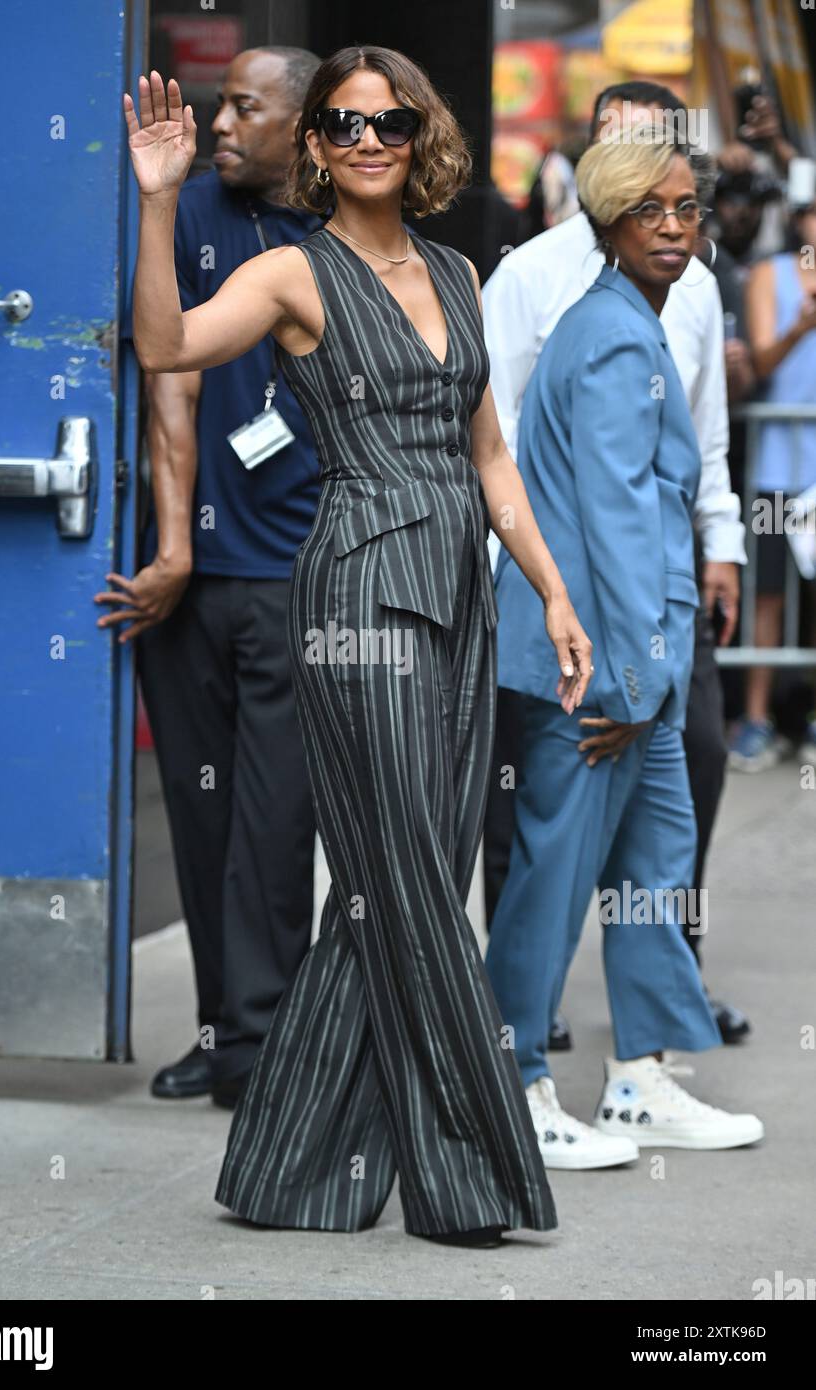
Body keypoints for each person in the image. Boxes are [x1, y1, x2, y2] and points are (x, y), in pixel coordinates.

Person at [124, 46, 593, 1247]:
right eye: (343, 122)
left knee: (393, 886)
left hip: (460, 595)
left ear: (415, 134)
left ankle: (287, 1165)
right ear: (319, 147)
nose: (368, 139)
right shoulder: (292, 272)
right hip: (354, 597)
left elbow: (491, 460)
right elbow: (169, 349)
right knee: (416, 885)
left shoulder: (456, 271)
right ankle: (473, 1167)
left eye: (388, 122)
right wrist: (160, 199)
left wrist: (550, 593)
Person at [484, 122, 765, 1170]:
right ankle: (507, 1081)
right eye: (647, 208)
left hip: (633, 658)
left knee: (653, 868)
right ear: (603, 218)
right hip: (594, 668)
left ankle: (640, 1076)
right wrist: (635, 684)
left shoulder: (638, 321)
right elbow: (607, 516)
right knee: (553, 876)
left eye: (686, 208)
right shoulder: (606, 332)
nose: (673, 226)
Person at [96, 48, 323, 1107]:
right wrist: (175, 543)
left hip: (299, 577)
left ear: (300, 124)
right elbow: (168, 377)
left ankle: (270, 1039)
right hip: (197, 574)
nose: (220, 121)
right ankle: (222, 1027)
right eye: (220, 102)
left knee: (276, 825)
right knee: (202, 813)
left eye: (244, 106)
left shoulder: (336, 234)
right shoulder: (187, 213)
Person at [729, 195, 816, 771]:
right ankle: (756, 718)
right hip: (779, 461)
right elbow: (760, 362)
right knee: (767, 592)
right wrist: (802, 325)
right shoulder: (771, 274)